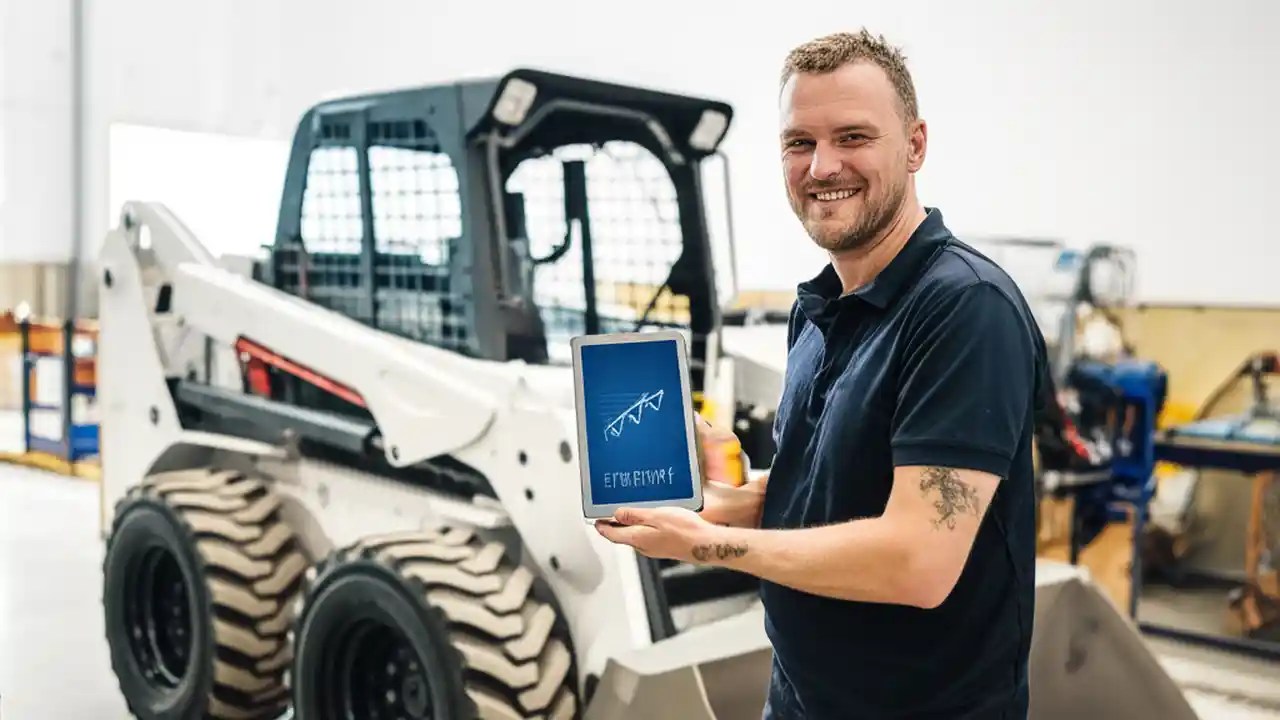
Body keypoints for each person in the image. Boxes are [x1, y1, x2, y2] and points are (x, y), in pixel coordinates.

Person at [595, 28, 1049, 719]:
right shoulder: (817, 311)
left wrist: (708, 544)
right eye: (799, 142)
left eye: (853, 137)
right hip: (800, 701)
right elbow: (834, 491)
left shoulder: (965, 307)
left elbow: (918, 561)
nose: (822, 166)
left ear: (916, 145)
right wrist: (708, 500)